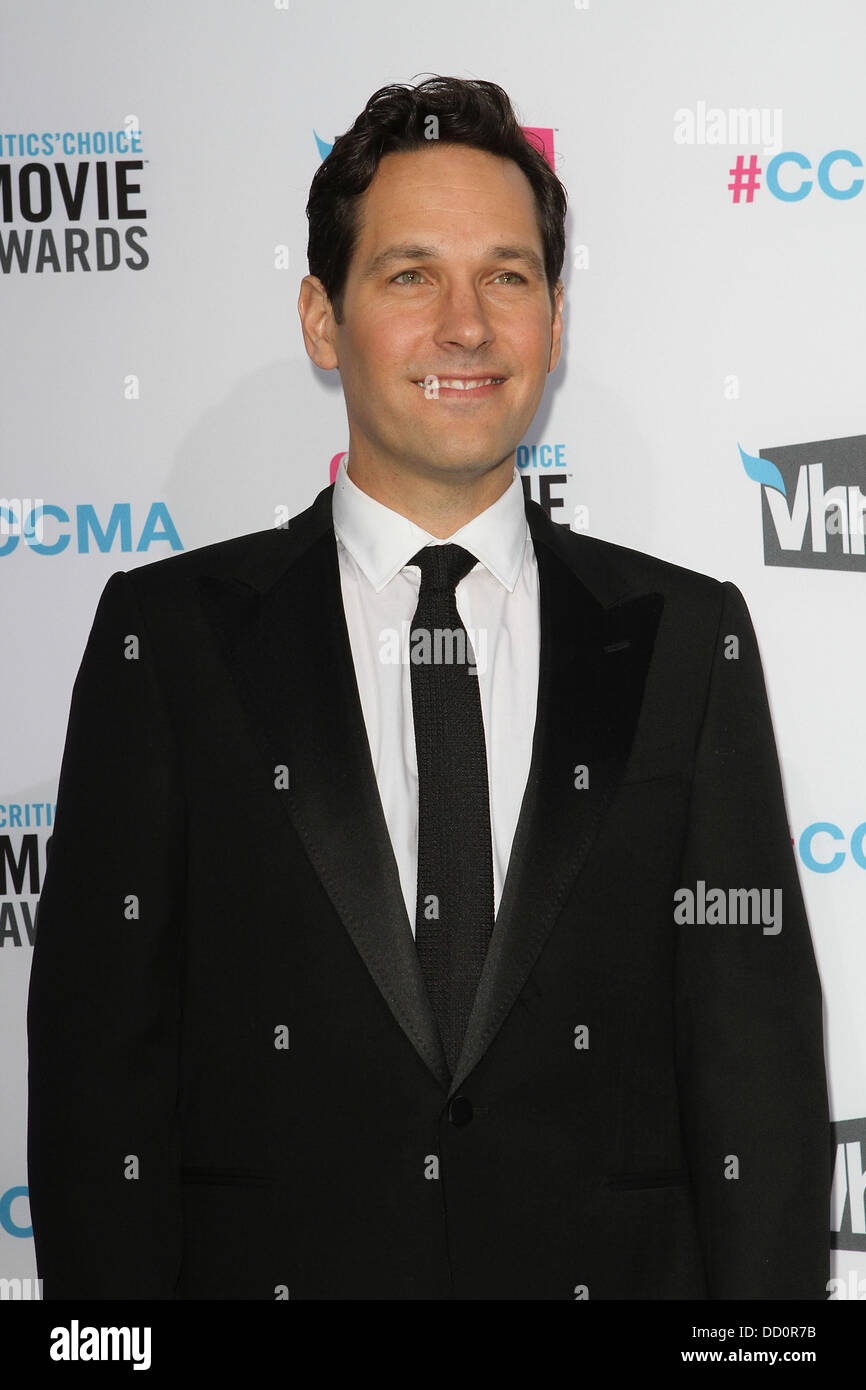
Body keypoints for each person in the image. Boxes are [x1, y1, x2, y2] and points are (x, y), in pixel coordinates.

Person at [26, 75, 830, 1300]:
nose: (465, 324)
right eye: (410, 275)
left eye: (506, 277)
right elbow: (99, 1086)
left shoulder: (683, 639)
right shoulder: (169, 643)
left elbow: (755, 1080)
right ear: (320, 317)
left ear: (554, 321)